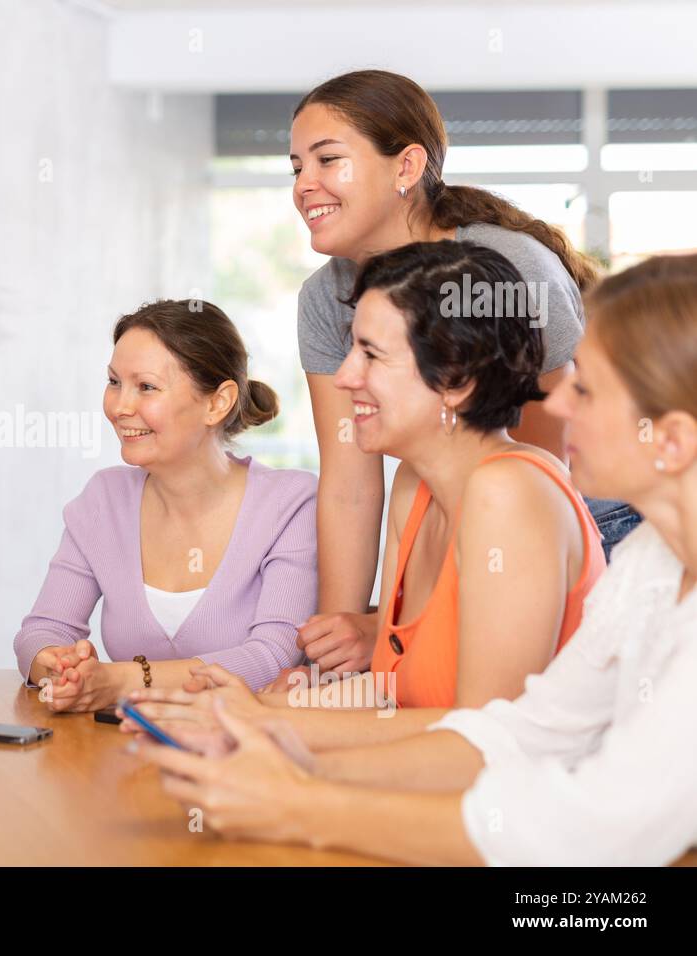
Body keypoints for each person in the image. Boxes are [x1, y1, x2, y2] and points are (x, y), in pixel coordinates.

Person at [128, 254, 697, 866]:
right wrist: (282, 747)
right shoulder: (647, 563)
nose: (555, 406)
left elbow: (592, 834)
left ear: (670, 441)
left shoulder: (515, 493)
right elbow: (521, 732)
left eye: (584, 387)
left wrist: (297, 801)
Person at [123, 240, 606, 748]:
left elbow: (484, 741)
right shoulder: (415, 487)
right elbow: (392, 692)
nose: (347, 375)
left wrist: (263, 726)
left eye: (371, 354)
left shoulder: (511, 493)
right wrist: (239, 705)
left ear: (456, 381)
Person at [290, 69, 638, 679]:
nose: (303, 185)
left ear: (406, 168)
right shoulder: (325, 299)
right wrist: (341, 645)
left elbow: (541, 463)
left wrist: (408, 620)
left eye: (328, 160)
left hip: (591, 519)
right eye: (295, 167)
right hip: (459, 516)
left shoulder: (511, 270)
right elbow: (348, 484)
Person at [13, 299, 317, 712]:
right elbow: (43, 629)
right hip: (123, 758)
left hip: (243, 761)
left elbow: (272, 656)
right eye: (114, 382)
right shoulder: (104, 500)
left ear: (217, 402)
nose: (120, 407)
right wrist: (57, 667)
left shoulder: (291, 504)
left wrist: (121, 680)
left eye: (147, 387)